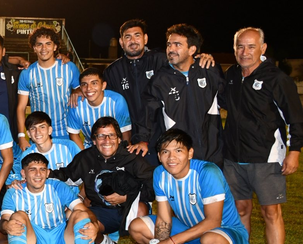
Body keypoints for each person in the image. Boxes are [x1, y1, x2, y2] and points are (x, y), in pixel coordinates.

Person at [220, 27, 303, 244]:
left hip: (267, 158)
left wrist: (294, 151)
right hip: (233, 158)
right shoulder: (231, 75)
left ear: (263, 48)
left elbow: (295, 118)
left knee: (271, 212)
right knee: (240, 210)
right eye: (240, 47)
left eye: (251, 47)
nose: (244, 52)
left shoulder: (277, 79)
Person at [128, 129, 249, 244]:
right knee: (136, 227)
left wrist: (173, 241)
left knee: (211, 241)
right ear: (159, 157)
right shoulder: (160, 174)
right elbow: (163, 217)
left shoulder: (208, 172)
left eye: (178, 151)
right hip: (190, 230)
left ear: (190, 153)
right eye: (165, 152)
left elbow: (213, 221)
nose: (172, 157)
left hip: (225, 233)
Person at [105, 19, 215, 162]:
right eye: (128, 37)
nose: (133, 40)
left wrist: (200, 58)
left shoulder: (161, 59)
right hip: (129, 138)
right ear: (121, 42)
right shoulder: (113, 71)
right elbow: (101, 96)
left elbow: (184, 62)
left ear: (145, 38)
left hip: (162, 135)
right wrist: (77, 90)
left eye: (137, 35)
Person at [51, 117, 154, 244]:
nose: (106, 140)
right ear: (94, 140)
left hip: (130, 209)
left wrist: (126, 197)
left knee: (140, 208)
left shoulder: (132, 158)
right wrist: (40, 174)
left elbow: (152, 188)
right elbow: (66, 175)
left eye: (111, 135)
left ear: (119, 139)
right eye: (101, 136)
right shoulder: (86, 157)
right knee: (78, 219)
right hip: (103, 212)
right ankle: (104, 243)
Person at [0, 152, 100, 244]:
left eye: (42, 169)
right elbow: (3, 223)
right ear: (23, 173)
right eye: (32, 169)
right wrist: (6, 226)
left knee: (80, 214)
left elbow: (86, 211)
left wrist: (95, 225)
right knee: (18, 216)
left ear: (48, 172)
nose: (38, 174)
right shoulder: (14, 193)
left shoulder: (58, 187)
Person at [129, 24, 224, 167]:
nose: (171, 49)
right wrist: (142, 139)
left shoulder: (209, 71)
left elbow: (229, 100)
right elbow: (147, 115)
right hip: (179, 159)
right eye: (169, 45)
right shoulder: (160, 80)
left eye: (177, 45)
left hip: (213, 156)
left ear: (192, 49)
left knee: (213, 189)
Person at [16, 27, 80, 150]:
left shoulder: (69, 67)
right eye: (39, 45)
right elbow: (21, 108)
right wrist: (22, 136)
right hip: (38, 134)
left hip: (65, 133)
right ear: (34, 48)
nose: (44, 48)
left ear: (55, 47)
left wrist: (77, 91)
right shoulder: (27, 73)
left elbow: (82, 90)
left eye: (48, 44)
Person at [9, 110, 80, 193]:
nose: (37, 132)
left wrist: (82, 198)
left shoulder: (69, 146)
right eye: (33, 128)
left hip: (72, 199)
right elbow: (22, 181)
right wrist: (17, 182)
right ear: (28, 134)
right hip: (43, 201)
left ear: (50, 130)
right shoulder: (27, 154)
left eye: (42, 127)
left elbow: (86, 173)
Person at [67, 67, 131, 149]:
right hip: (90, 148)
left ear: (103, 85)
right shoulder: (75, 104)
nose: (89, 88)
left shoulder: (117, 101)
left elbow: (125, 134)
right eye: (84, 84)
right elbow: (74, 134)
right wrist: (83, 157)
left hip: (113, 148)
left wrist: (120, 156)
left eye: (94, 83)